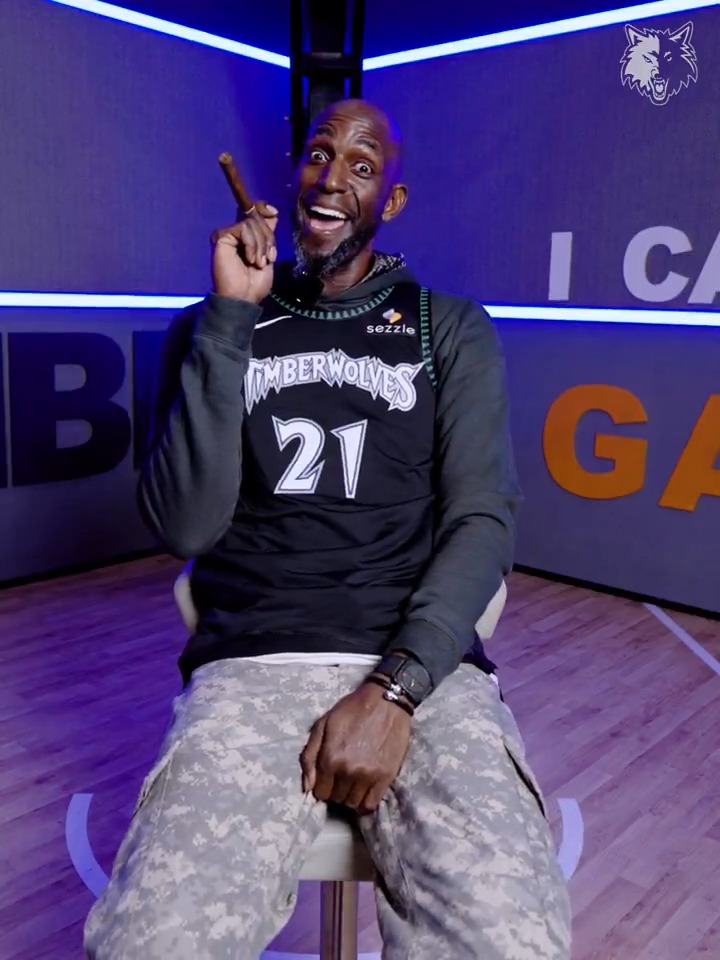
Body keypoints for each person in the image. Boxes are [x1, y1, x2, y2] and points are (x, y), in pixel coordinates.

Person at [84, 99, 571, 959]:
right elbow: (186, 524)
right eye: (318, 154)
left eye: (361, 164)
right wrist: (230, 318)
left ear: (392, 199)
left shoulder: (447, 326)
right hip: (254, 660)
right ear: (293, 175)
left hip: (420, 671)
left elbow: (482, 520)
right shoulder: (205, 325)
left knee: (507, 943)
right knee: (151, 945)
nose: (332, 177)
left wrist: (395, 690)